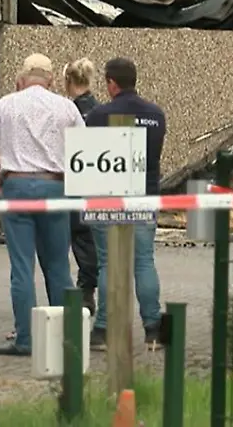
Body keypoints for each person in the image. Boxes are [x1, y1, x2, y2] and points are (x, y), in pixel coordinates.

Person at [0, 53, 81, 357]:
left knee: (22, 267)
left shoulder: (6, 104)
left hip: (17, 185)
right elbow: (81, 151)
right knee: (59, 265)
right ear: (50, 79)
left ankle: (25, 339)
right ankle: (66, 338)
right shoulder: (66, 106)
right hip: (54, 185)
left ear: (21, 78)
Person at [86, 57, 166, 351]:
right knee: (144, 261)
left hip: (107, 197)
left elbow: (91, 159)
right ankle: (154, 329)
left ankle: (104, 330)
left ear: (111, 83)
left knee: (109, 262)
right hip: (144, 196)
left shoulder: (98, 115)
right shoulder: (156, 115)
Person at [63, 57, 99, 315]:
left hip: (71, 184)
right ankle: (87, 288)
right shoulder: (100, 110)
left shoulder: (68, 111)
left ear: (68, 82)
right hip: (95, 183)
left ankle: (77, 292)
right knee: (88, 240)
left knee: (70, 240)